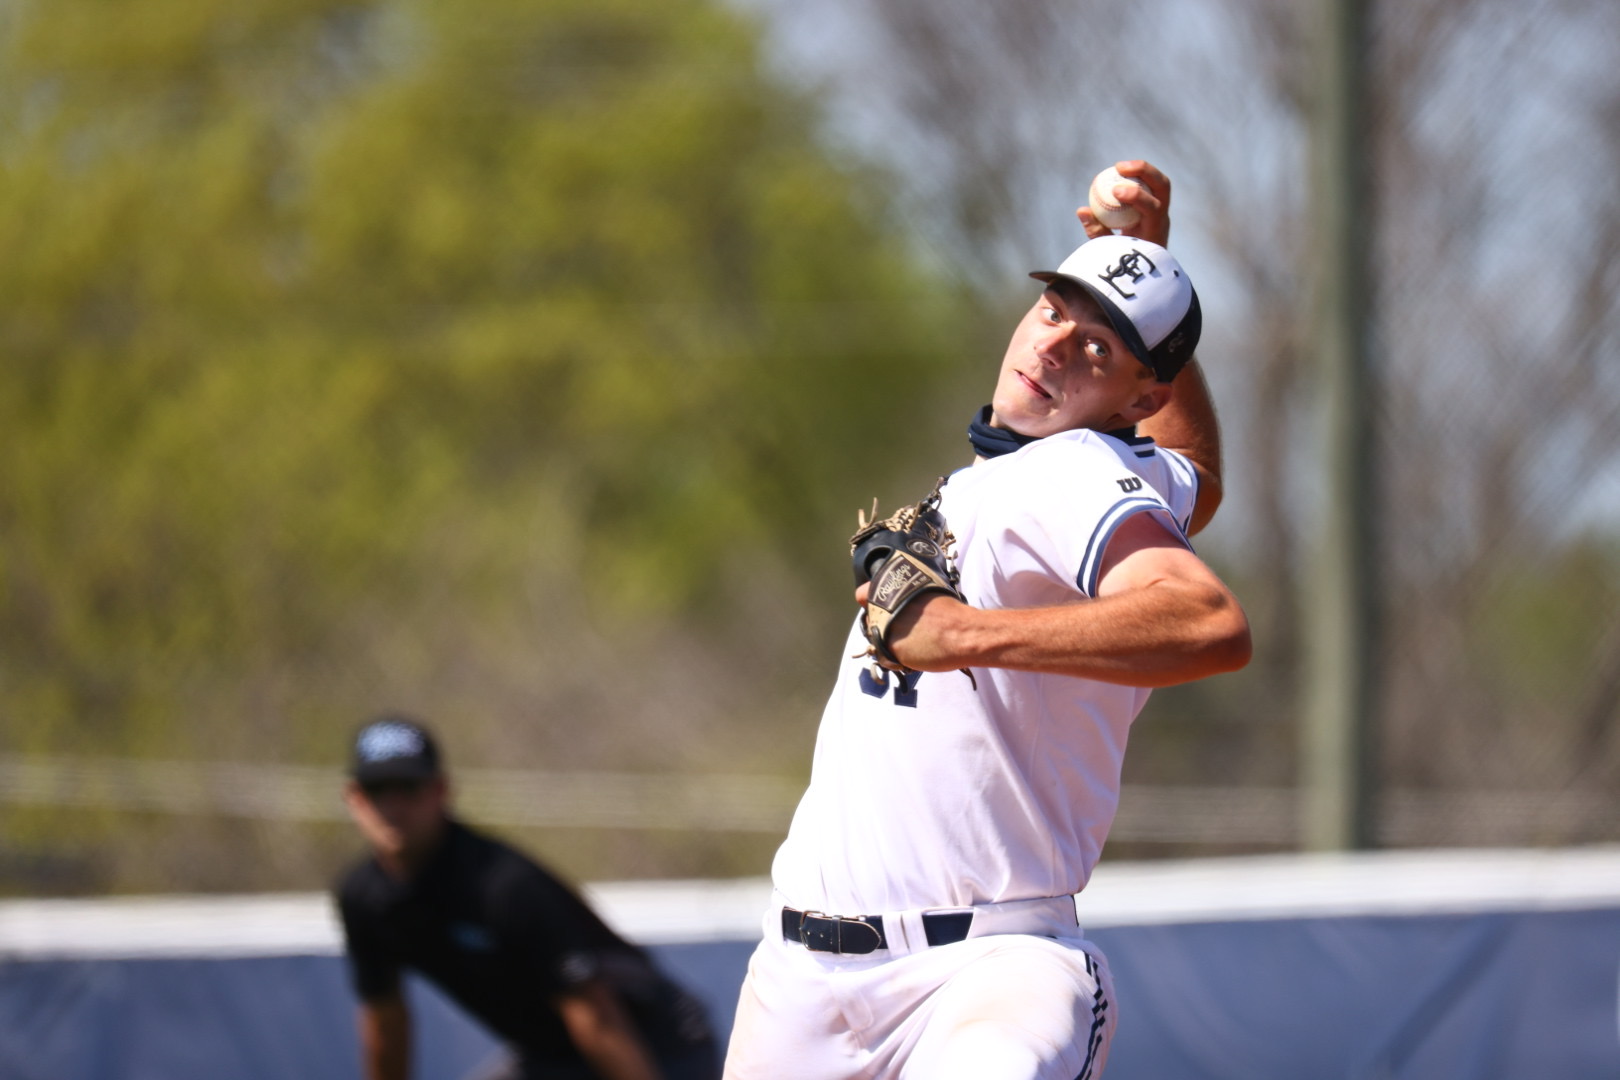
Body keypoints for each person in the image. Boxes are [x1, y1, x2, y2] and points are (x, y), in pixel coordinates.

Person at [722, 161, 1252, 1080]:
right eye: (1056, 313)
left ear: (1138, 397)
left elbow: (1206, 620)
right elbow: (1194, 478)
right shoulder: (1097, 465)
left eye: (1097, 348)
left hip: (984, 973)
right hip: (803, 978)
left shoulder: (1070, 469)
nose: (1053, 347)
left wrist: (961, 635)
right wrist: (1143, 263)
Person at [334, 714, 720, 1080]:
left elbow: (595, 1016)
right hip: (557, 1057)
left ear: (440, 791)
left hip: (659, 1046)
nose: (393, 807)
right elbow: (385, 1018)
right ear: (354, 797)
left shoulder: (502, 885)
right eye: (377, 790)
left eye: (408, 788)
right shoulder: (363, 898)